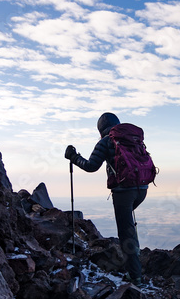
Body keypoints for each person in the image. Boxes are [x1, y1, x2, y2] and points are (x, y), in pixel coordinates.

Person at [65, 112, 152, 285]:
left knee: (125, 232)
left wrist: (73, 157)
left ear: (100, 129)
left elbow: (91, 166)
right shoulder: (132, 139)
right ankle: (135, 258)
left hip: (123, 192)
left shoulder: (106, 141)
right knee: (129, 227)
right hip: (142, 188)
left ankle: (135, 276)